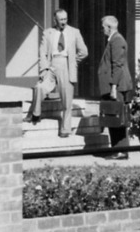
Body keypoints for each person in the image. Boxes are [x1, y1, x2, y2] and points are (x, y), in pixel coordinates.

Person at [38, 9, 88, 138]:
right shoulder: (48, 32)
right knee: (40, 88)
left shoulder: (74, 32)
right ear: (55, 20)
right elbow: (42, 52)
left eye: (65, 19)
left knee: (66, 100)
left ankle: (65, 129)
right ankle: (35, 114)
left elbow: (84, 51)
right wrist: (44, 69)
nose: (64, 22)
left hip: (66, 64)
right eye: (61, 20)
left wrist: (72, 61)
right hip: (51, 65)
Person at [96, 14, 133, 156]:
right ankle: (118, 150)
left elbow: (117, 65)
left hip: (117, 86)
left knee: (118, 118)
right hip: (115, 85)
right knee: (114, 117)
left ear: (109, 27)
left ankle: (121, 151)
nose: (102, 30)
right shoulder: (113, 40)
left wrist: (113, 87)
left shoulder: (117, 41)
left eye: (103, 27)